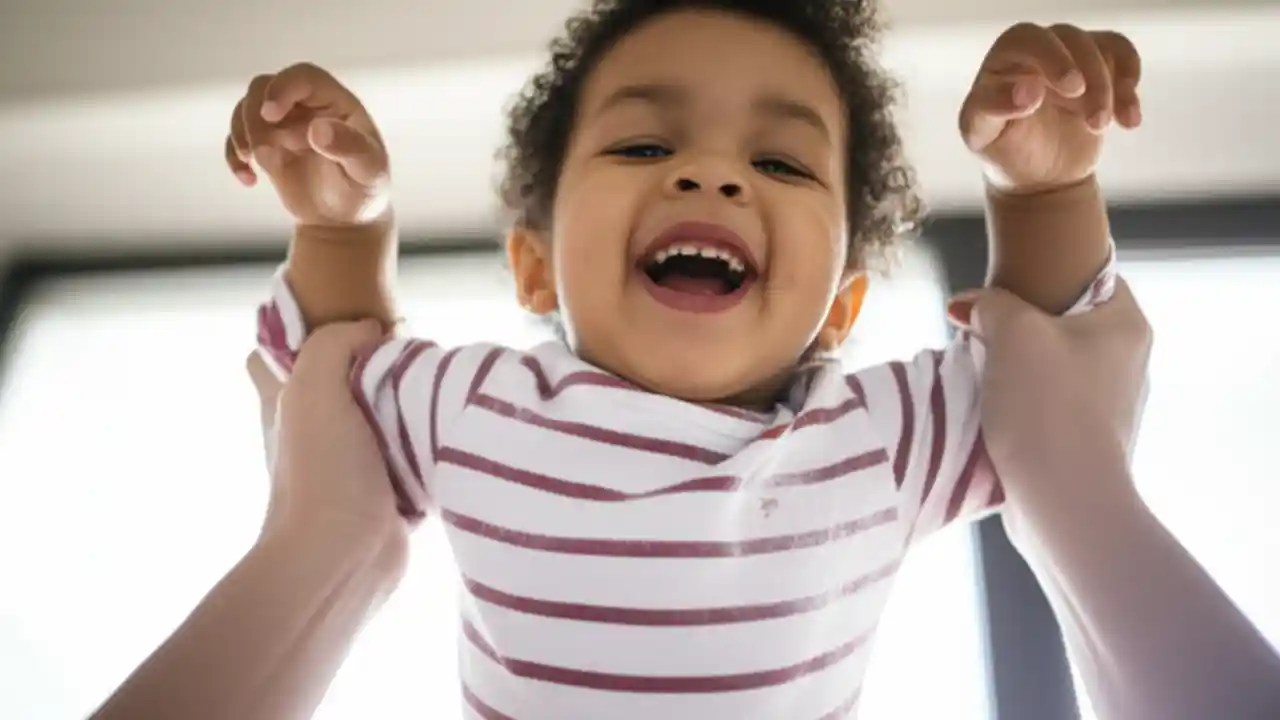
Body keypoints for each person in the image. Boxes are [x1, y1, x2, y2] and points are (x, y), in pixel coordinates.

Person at [94, 0, 1280, 717]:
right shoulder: (481, 407)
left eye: (780, 164)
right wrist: (342, 229)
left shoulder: (874, 437)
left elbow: (1053, 364)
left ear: (840, 306)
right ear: (535, 270)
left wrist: (1045, 184)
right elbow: (333, 374)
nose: (708, 175)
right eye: (646, 141)